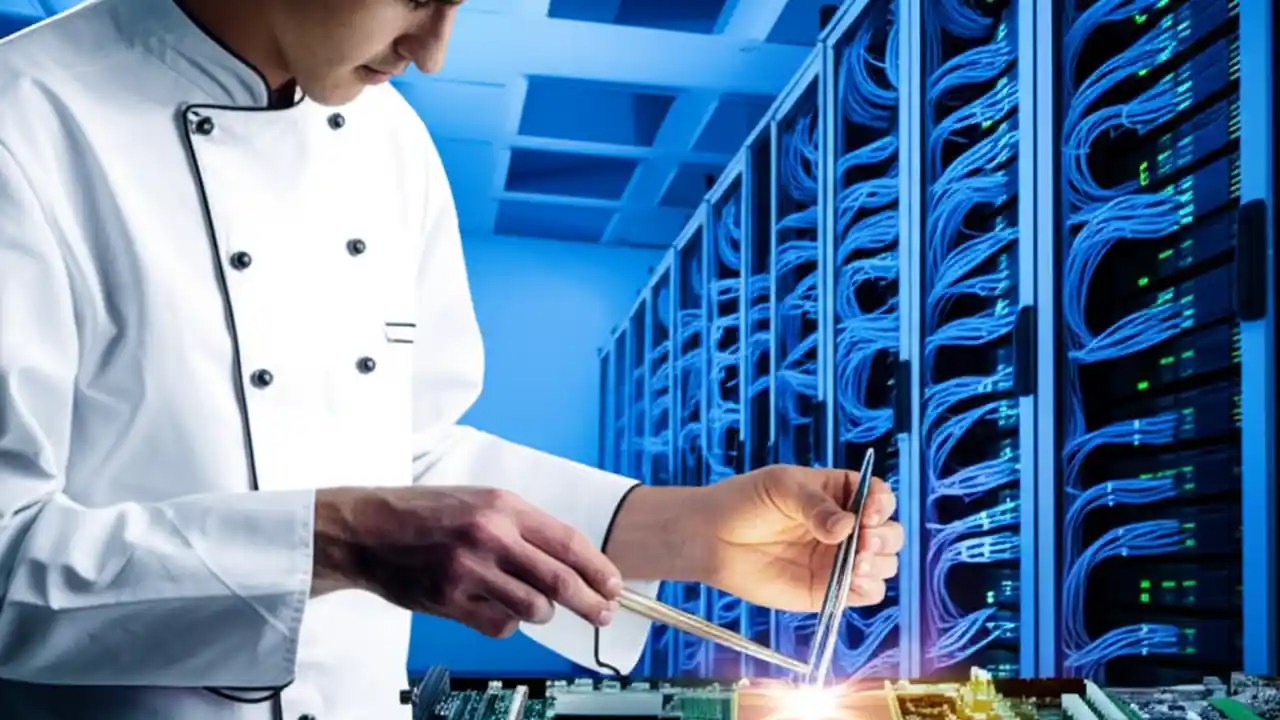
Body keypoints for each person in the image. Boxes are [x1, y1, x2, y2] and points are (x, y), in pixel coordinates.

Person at [0, 0, 905, 718]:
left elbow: (411, 456)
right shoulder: (24, 126)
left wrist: (692, 532)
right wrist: (340, 539)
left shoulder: (390, 142)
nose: (433, 51)